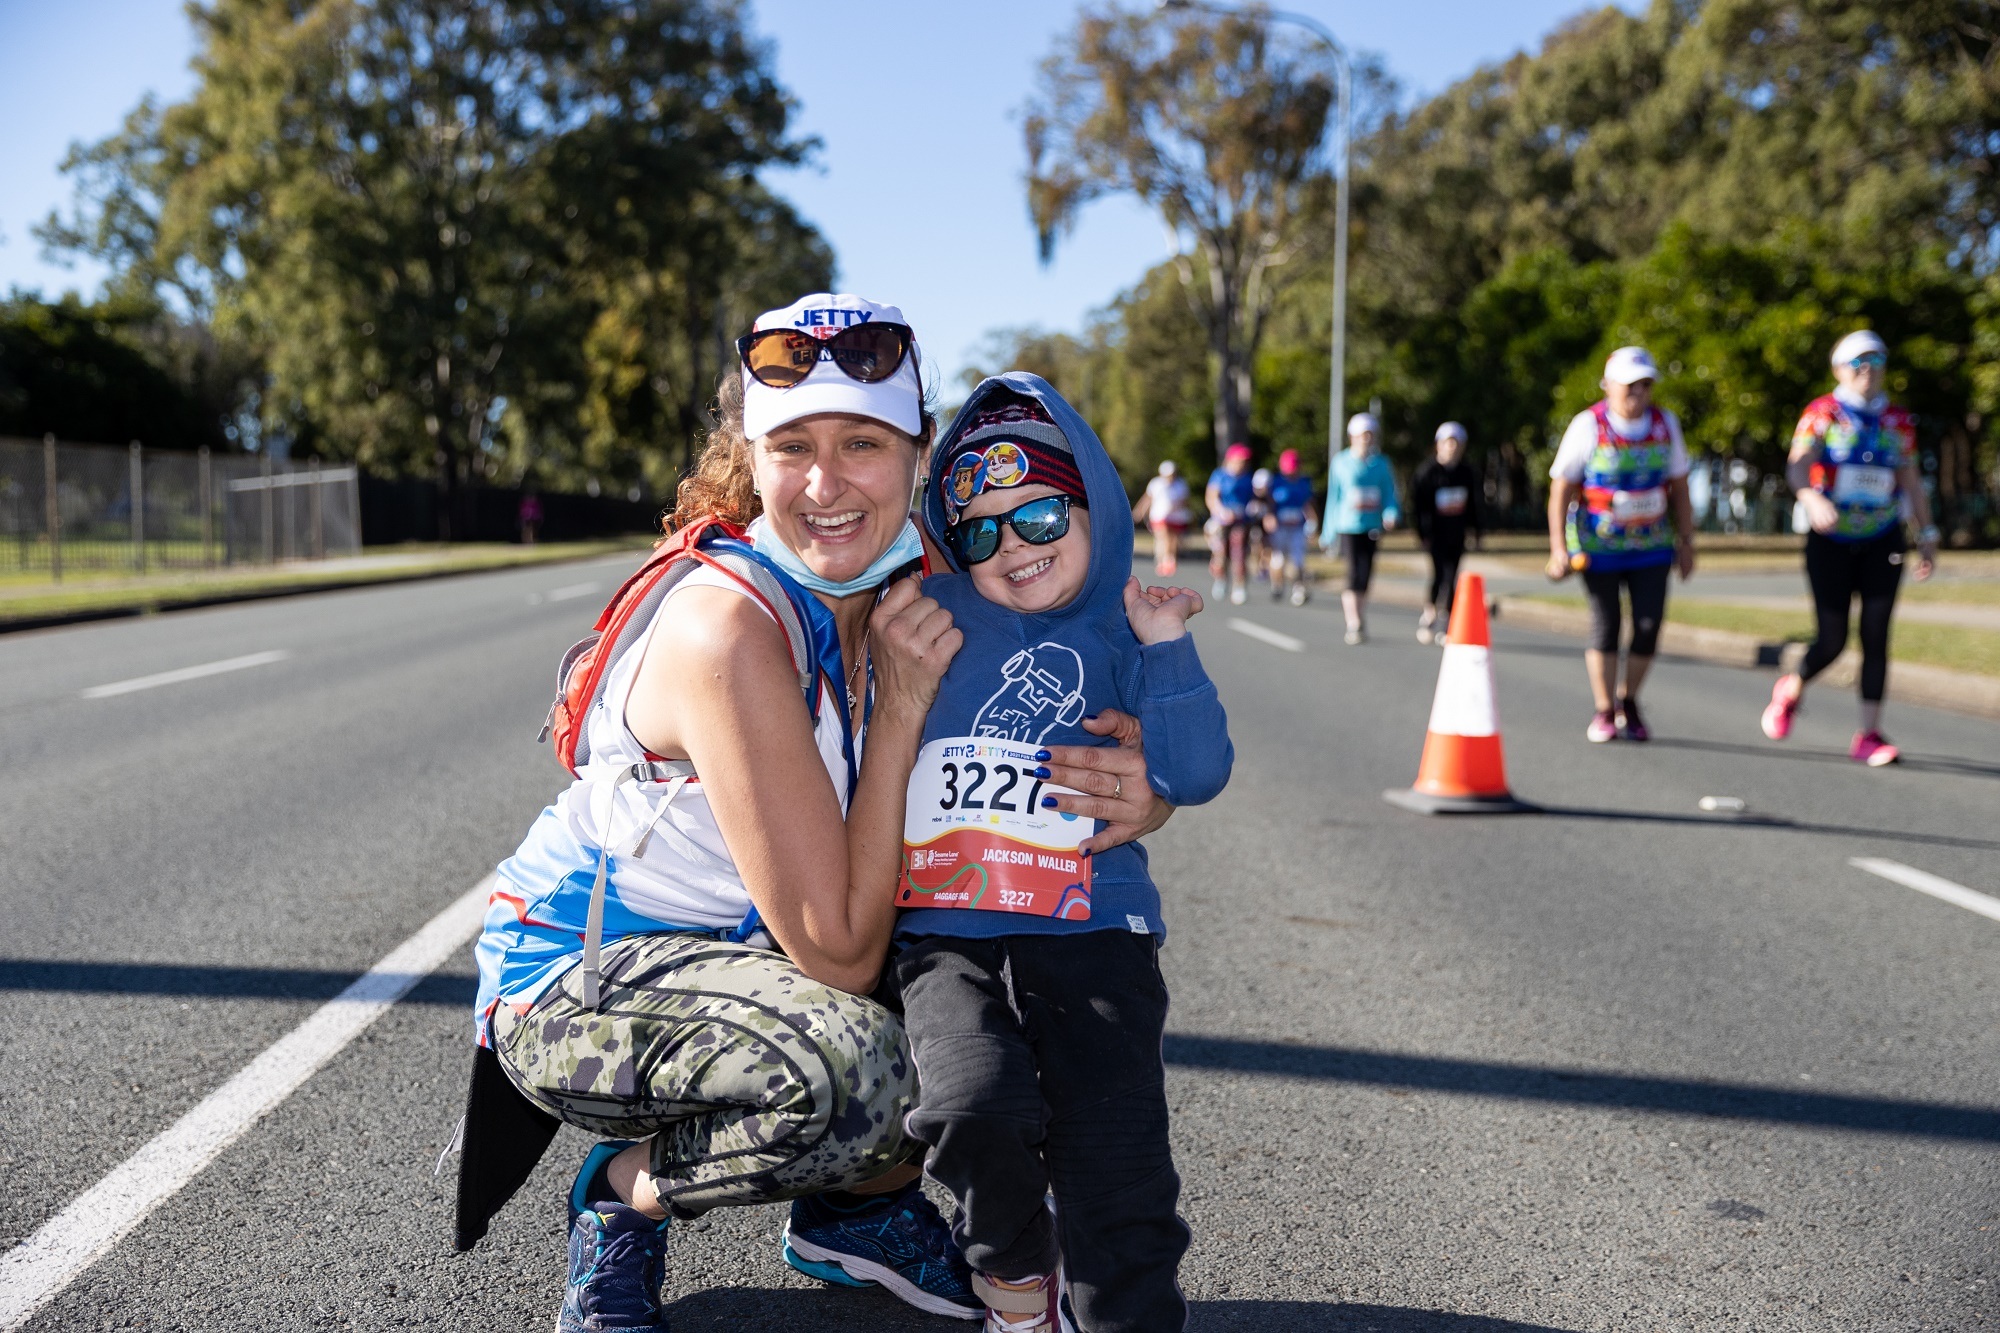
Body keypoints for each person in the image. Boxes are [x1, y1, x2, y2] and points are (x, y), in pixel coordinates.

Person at [462, 294, 1177, 1331]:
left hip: (762, 948)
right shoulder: (729, 629)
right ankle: (623, 1193)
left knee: (1006, 994)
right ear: (750, 459)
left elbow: (1065, 710)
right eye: (791, 446)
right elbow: (840, 955)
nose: (826, 483)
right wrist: (897, 712)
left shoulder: (932, 581)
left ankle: (852, 1207)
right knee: (858, 1073)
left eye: (862, 443)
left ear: (918, 453)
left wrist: (1136, 791)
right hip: (582, 977)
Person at [899, 372, 1233, 1333]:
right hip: (950, 926)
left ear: (1091, 503)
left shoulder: (1126, 624)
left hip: (1097, 925)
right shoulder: (930, 611)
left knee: (1116, 1161)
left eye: (1041, 515)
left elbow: (1198, 772)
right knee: (968, 1103)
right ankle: (1009, 1266)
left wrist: (1166, 647)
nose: (1014, 546)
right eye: (981, 530)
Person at [1760, 330, 1939, 765]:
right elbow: (1798, 466)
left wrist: (1927, 534)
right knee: (1833, 639)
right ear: (1839, 369)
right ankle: (1792, 686)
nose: (1868, 371)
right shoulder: (1822, 414)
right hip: (1831, 539)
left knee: (1876, 635)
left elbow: (1911, 481)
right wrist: (1810, 497)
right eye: (1858, 363)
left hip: (1883, 537)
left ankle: (1869, 734)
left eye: (1876, 362)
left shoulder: (1898, 421)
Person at [1545, 346, 1696, 742]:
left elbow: (1679, 486)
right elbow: (1561, 489)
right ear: (1608, 386)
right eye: (1629, 384)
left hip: (1652, 545)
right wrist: (1559, 548)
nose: (1638, 392)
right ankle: (1604, 709)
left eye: (1645, 384)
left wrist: (1687, 541)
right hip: (1599, 547)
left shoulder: (1666, 424)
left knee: (1648, 626)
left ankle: (1629, 700)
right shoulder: (1588, 425)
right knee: (1606, 623)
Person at [1320, 412, 1401, 644]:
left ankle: (1359, 614)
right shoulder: (1341, 462)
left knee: (1365, 574)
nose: (1366, 439)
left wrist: (1391, 513)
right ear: (1352, 437)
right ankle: (1353, 621)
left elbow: (1389, 494)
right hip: (1348, 525)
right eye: (1361, 435)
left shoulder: (1382, 464)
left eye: (1370, 435)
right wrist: (1328, 532)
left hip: (1372, 526)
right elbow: (1334, 498)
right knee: (1353, 572)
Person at [1411, 422, 1484, 643]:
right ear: (1438, 445)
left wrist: (1477, 532)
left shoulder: (1467, 473)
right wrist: (1422, 533)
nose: (1451, 447)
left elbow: (1475, 505)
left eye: (1456, 443)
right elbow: (1417, 506)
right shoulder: (1427, 473)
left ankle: (1450, 621)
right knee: (1438, 574)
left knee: (1453, 576)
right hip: (1435, 534)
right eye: (1447, 442)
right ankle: (1430, 612)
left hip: (1457, 532)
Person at [1205, 443, 1257, 605]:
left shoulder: (1248, 478)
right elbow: (1211, 497)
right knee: (1221, 551)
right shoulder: (1220, 475)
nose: (1242, 464)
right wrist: (1221, 512)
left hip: (1241, 520)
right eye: (1239, 460)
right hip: (1222, 520)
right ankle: (1221, 579)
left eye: (1244, 461)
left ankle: (1239, 586)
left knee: (1239, 551)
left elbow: (1254, 498)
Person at [1265, 448, 1319, 605]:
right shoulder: (1276, 482)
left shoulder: (1304, 483)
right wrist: (1269, 517)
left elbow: (1308, 504)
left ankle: (1299, 589)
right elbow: (1270, 504)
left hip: (1297, 528)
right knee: (1278, 560)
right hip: (1280, 527)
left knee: (1298, 560)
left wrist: (1313, 522)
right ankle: (1277, 585)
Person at [1131, 459, 1190, 576]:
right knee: (1163, 537)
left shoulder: (1181, 484)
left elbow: (1185, 501)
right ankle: (1163, 560)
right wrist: (1139, 511)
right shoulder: (1156, 483)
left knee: (1173, 539)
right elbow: (1147, 499)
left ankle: (1169, 558)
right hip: (1159, 516)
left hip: (1176, 517)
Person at [1246, 466, 1275, 584]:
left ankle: (1263, 566)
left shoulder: (1271, 497)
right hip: (1255, 525)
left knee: (1267, 546)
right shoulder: (1251, 496)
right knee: (1257, 545)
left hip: (1266, 526)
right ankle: (1257, 565)